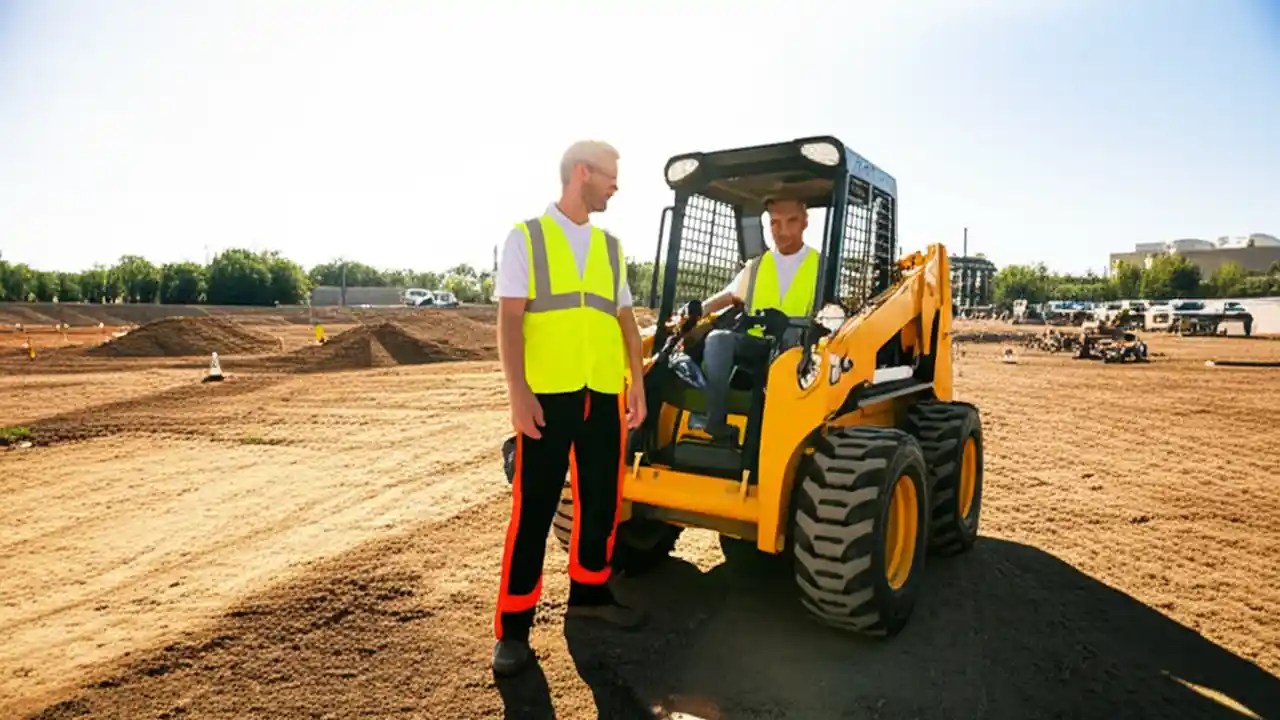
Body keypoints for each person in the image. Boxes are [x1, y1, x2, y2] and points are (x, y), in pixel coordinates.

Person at [491, 140, 648, 677]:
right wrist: (518, 392)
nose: (616, 186)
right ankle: (513, 629)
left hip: (603, 396)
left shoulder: (611, 248)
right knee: (533, 511)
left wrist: (638, 384)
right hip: (547, 399)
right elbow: (510, 321)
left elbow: (624, 319)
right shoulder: (526, 239)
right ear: (582, 173)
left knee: (601, 503)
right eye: (610, 176)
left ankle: (590, 595)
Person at [693, 197, 822, 441]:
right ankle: (716, 422)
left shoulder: (821, 265)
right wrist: (698, 310)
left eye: (791, 221)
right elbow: (731, 294)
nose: (782, 231)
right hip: (756, 347)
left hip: (797, 351)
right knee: (718, 339)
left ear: (805, 222)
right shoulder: (758, 265)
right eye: (775, 223)